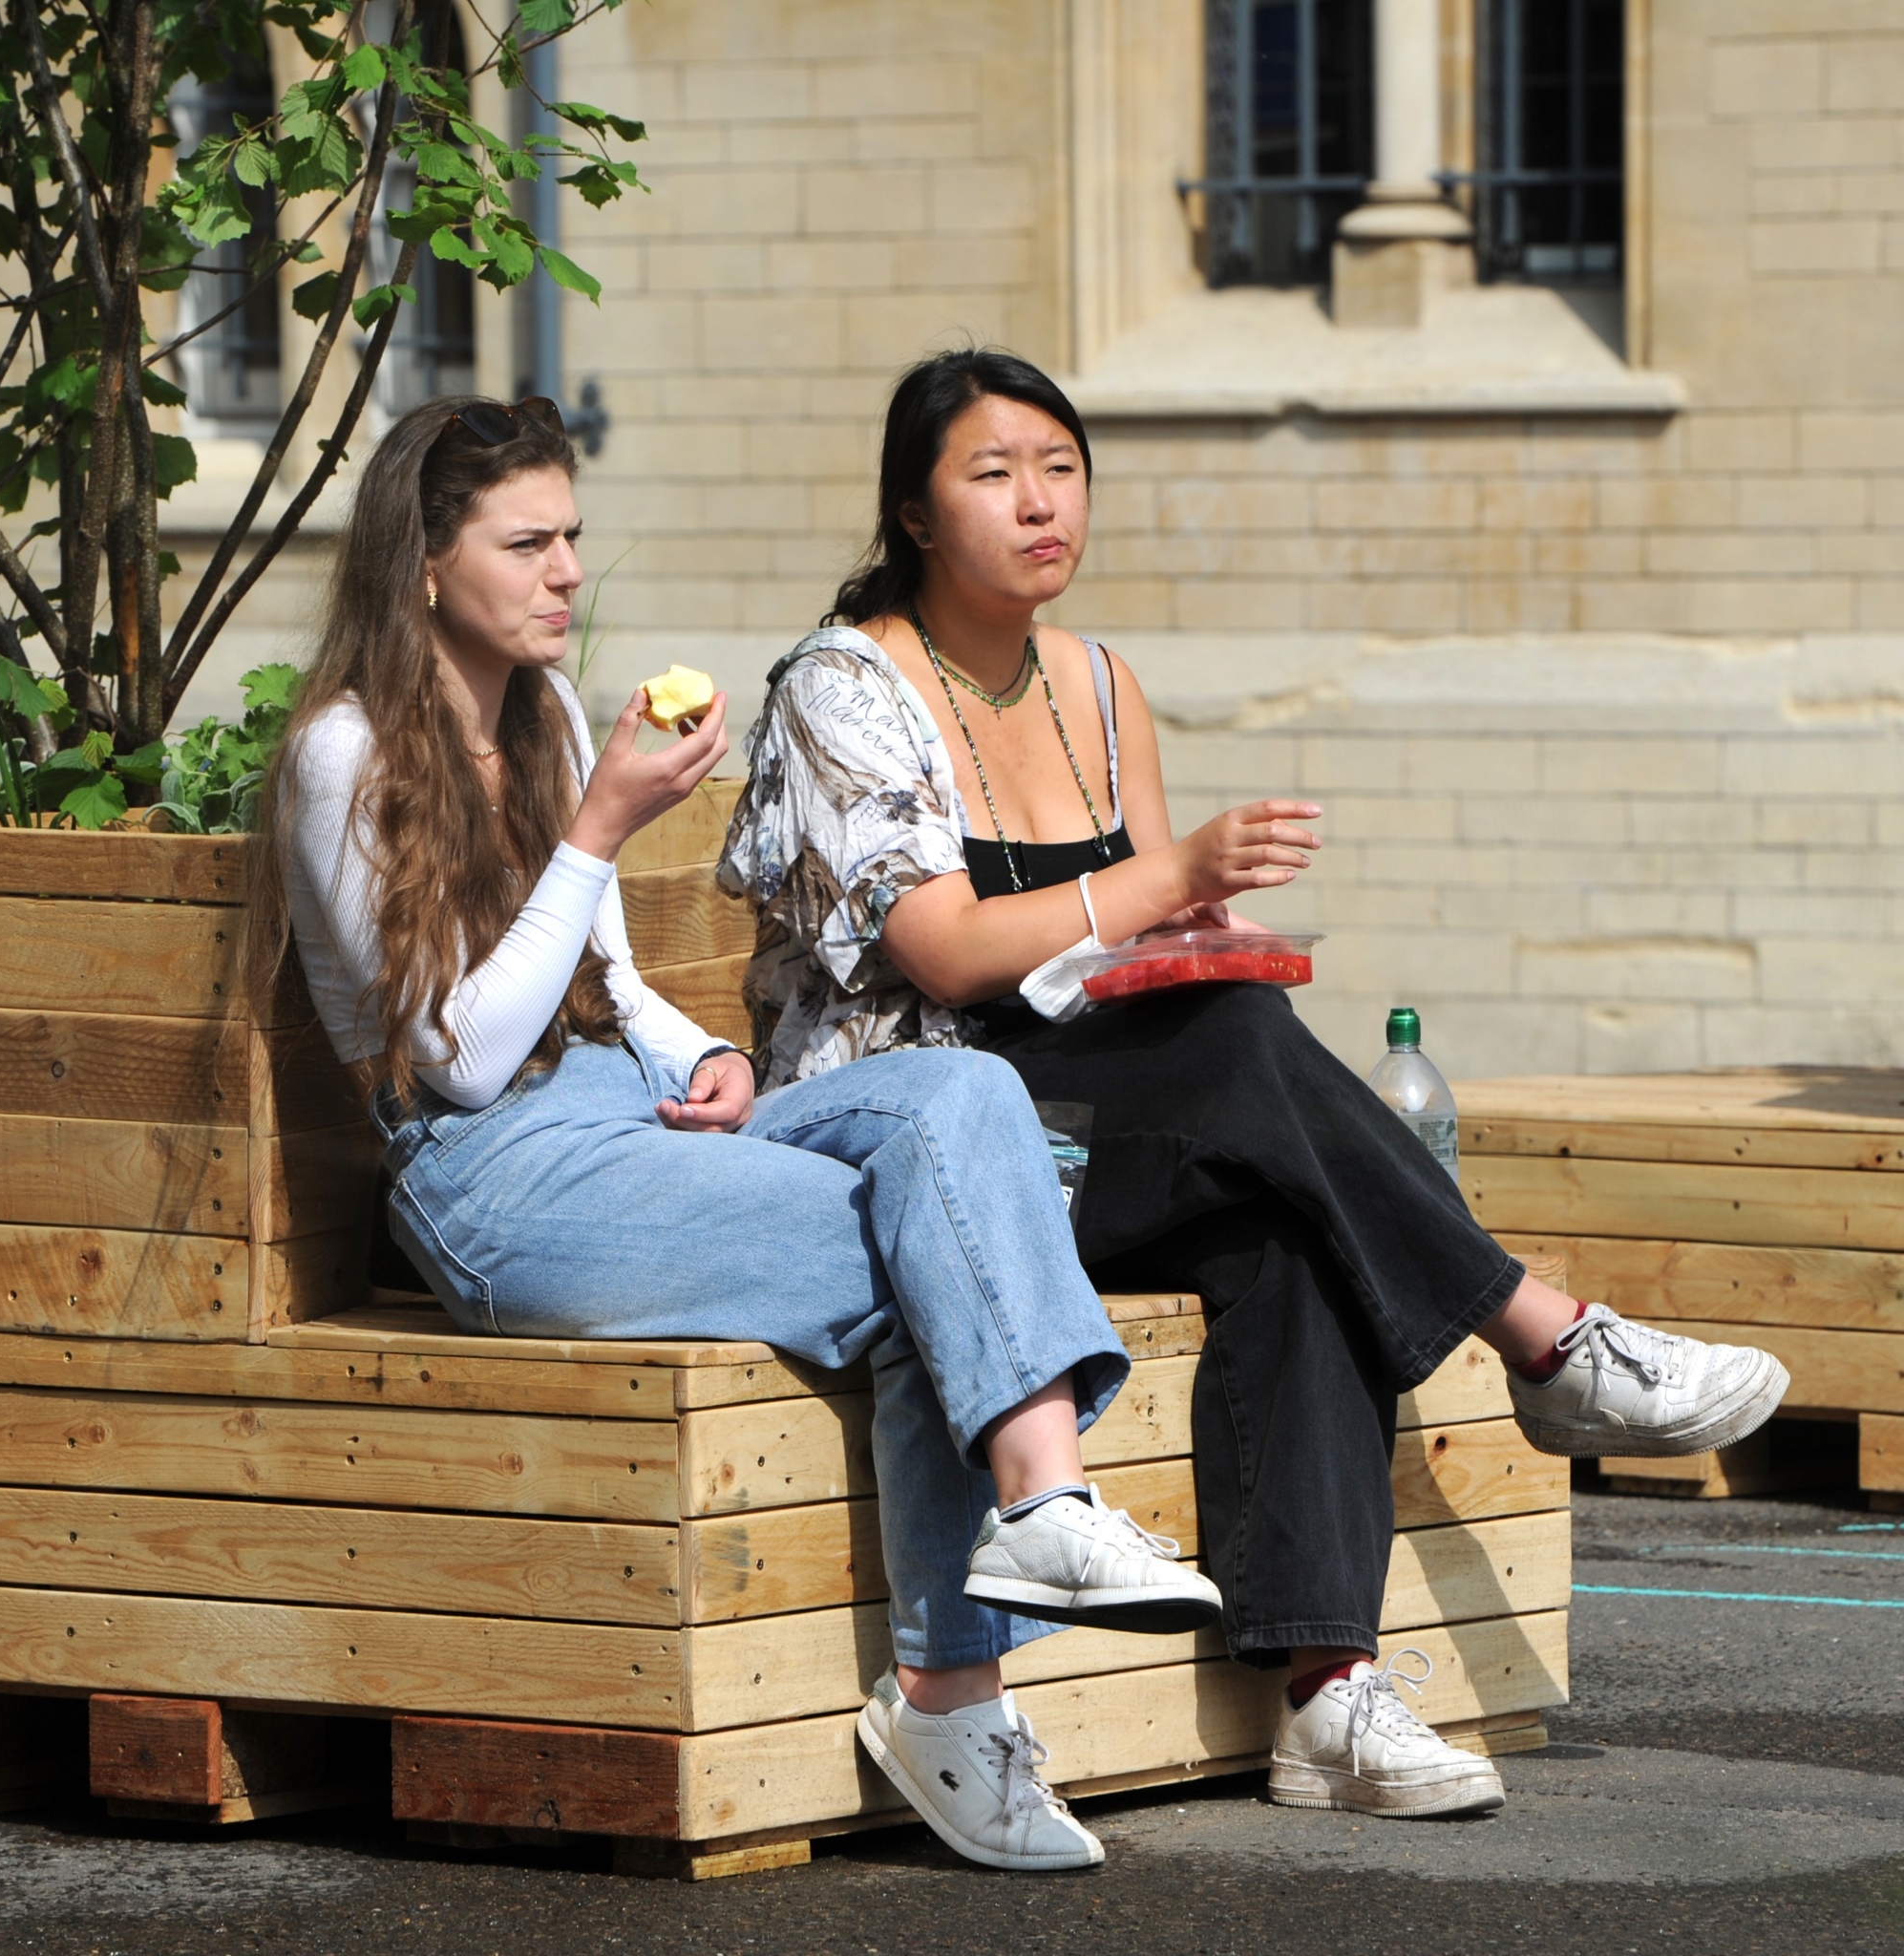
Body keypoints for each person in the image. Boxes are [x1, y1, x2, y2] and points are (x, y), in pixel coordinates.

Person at [717, 348, 1792, 1820]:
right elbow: (948, 953)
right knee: (1242, 1071)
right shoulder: (846, 687)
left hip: (1097, 1127)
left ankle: (1327, 1698)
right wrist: (1175, 876)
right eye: (993, 473)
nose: (1040, 503)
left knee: (1290, 1218)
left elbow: (1134, 949)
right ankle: (1544, 1337)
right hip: (927, 1144)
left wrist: (1203, 932)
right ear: (912, 511)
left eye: (1061, 469)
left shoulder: (1102, 686)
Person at [244, 393, 1226, 1874]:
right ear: (423, 567)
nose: (569, 569)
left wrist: (693, 1046)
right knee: (923, 1251)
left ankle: (1041, 1509)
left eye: (572, 534)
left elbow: (615, 981)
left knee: (961, 1092)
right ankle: (959, 1690)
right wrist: (597, 832)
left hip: (627, 1116)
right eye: (527, 543)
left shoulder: (549, 710)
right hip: (494, 1179)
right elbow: (451, 1060)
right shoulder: (341, 751)